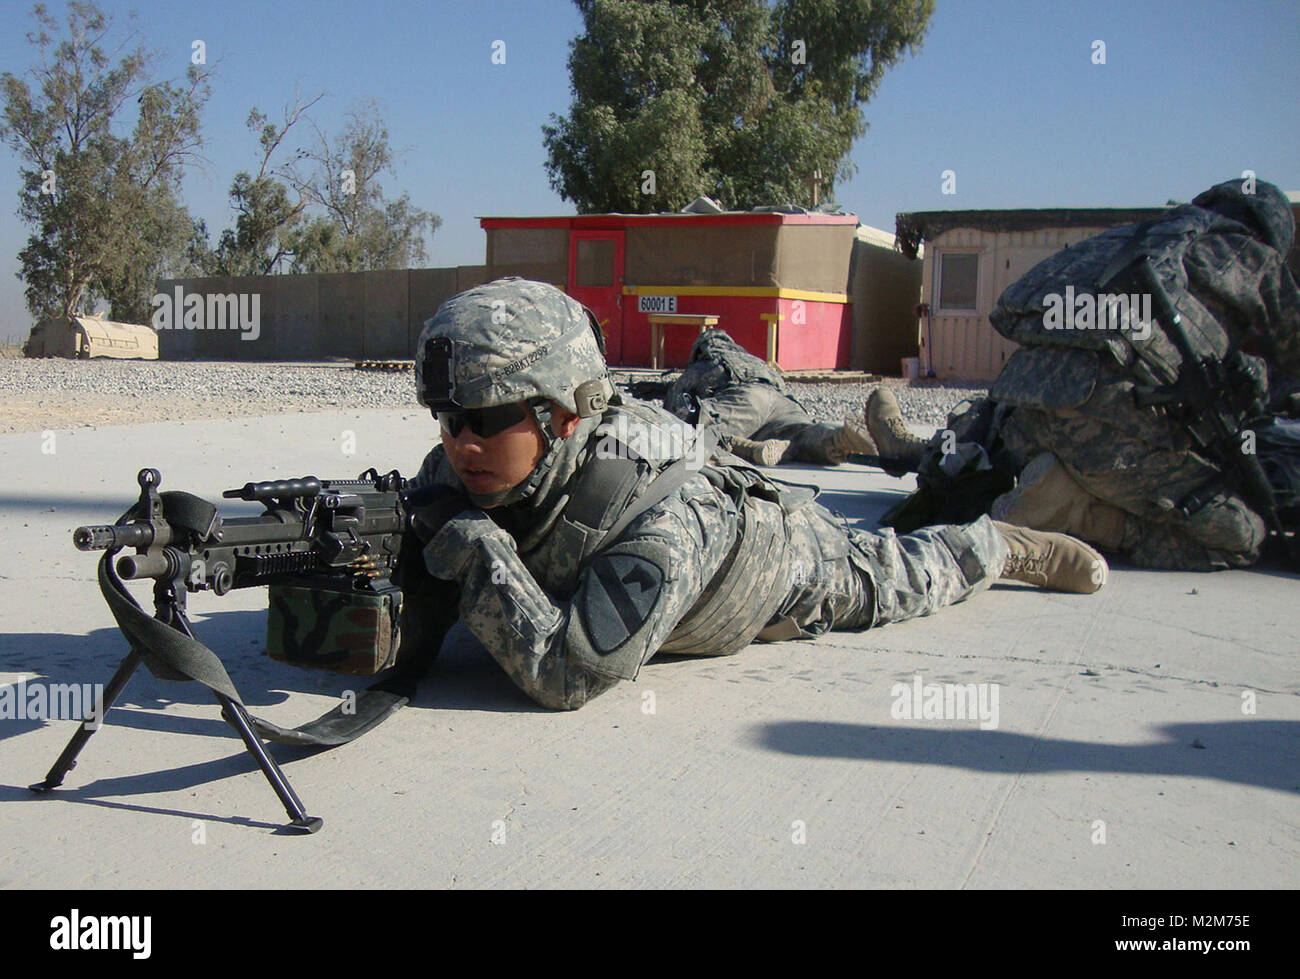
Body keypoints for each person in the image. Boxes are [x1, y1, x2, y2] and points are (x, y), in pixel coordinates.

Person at [396, 277, 1107, 711]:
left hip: (778, 569)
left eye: (487, 419)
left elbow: (566, 674)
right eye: (449, 418)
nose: (462, 444)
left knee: (898, 573)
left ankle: (996, 543)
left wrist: (483, 554)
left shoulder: (657, 517)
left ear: (564, 414)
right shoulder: (462, 466)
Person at [864, 178, 1300, 572]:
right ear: (1271, 236)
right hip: (1108, 438)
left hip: (1025, 414)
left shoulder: (1132, 236)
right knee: (1241, 533)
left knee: (981, 460)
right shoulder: (1252, 258)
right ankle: (1072, 509)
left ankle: (923, 453)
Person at [662, 328, 879, 466]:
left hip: (747, 399)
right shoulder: (754, 361)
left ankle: (743, 447)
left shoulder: (708, 361)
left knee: (690, 431)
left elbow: (676, 406)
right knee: (800, 435)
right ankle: (836, 437)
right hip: (782, 403)